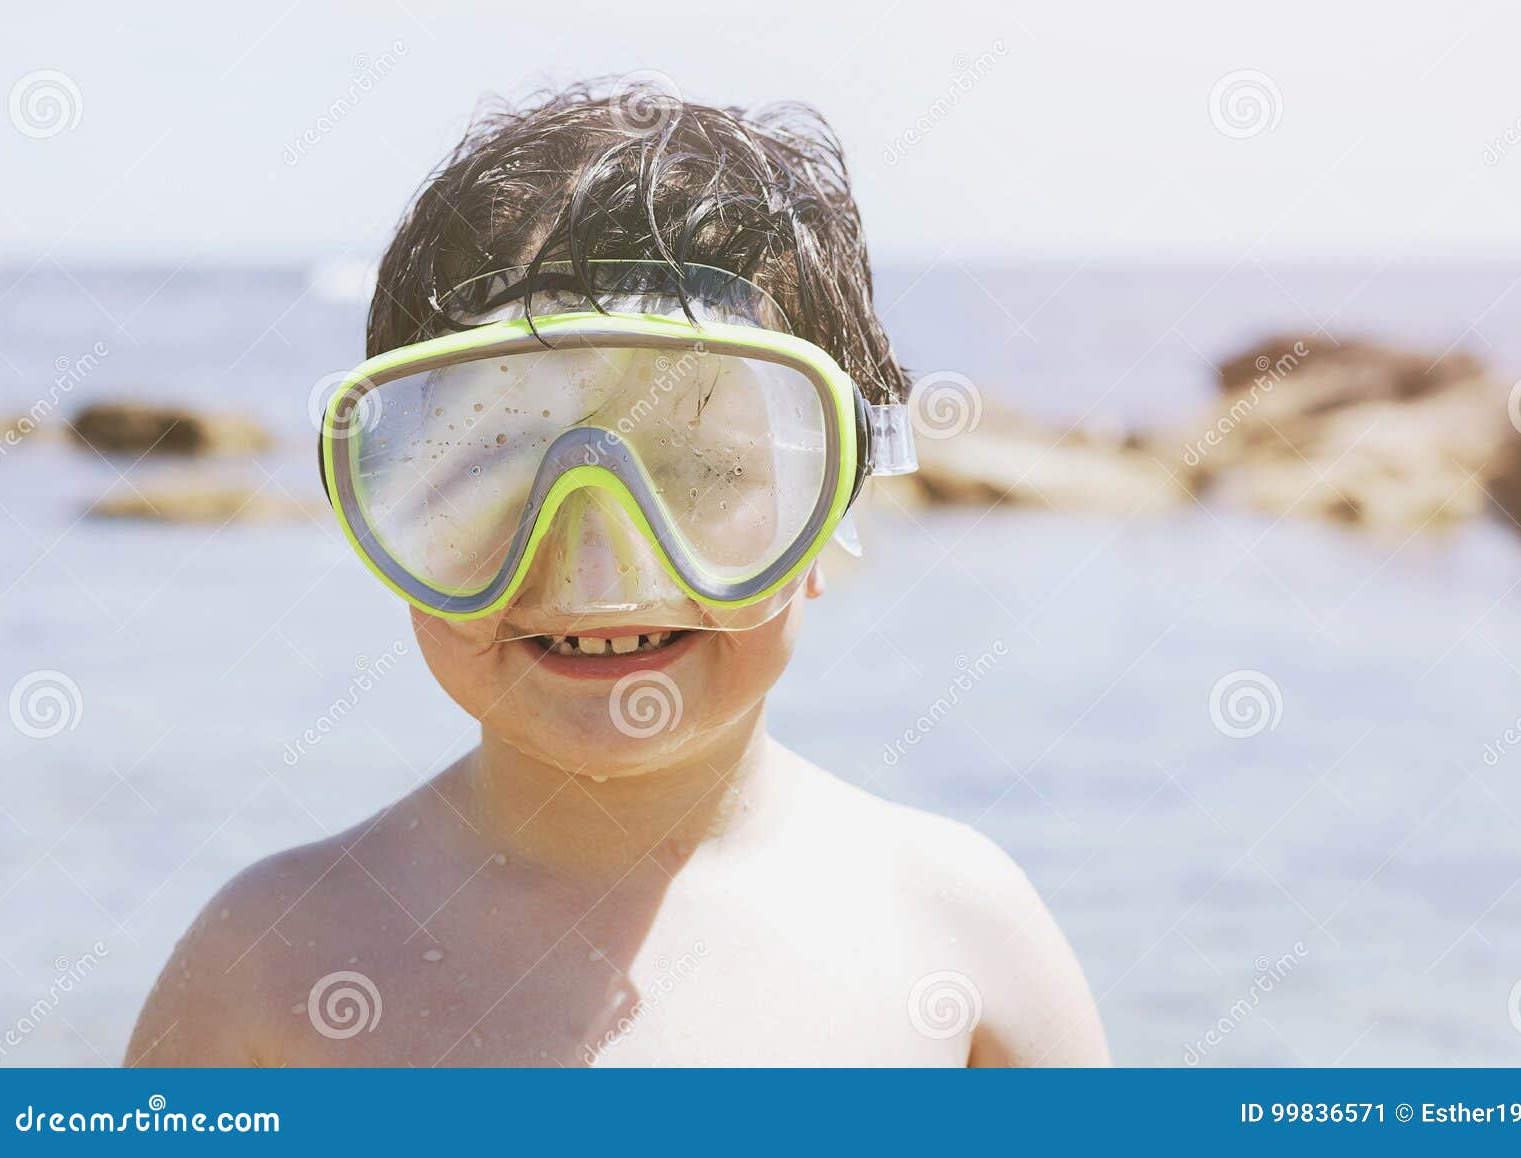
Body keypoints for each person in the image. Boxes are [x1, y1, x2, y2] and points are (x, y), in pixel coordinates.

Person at [126, 81, 1108, 1067]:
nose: (597, 566)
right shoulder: (267, 969)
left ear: (830, 501)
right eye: (497, 465)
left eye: (697, 473)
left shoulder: (960, 939)